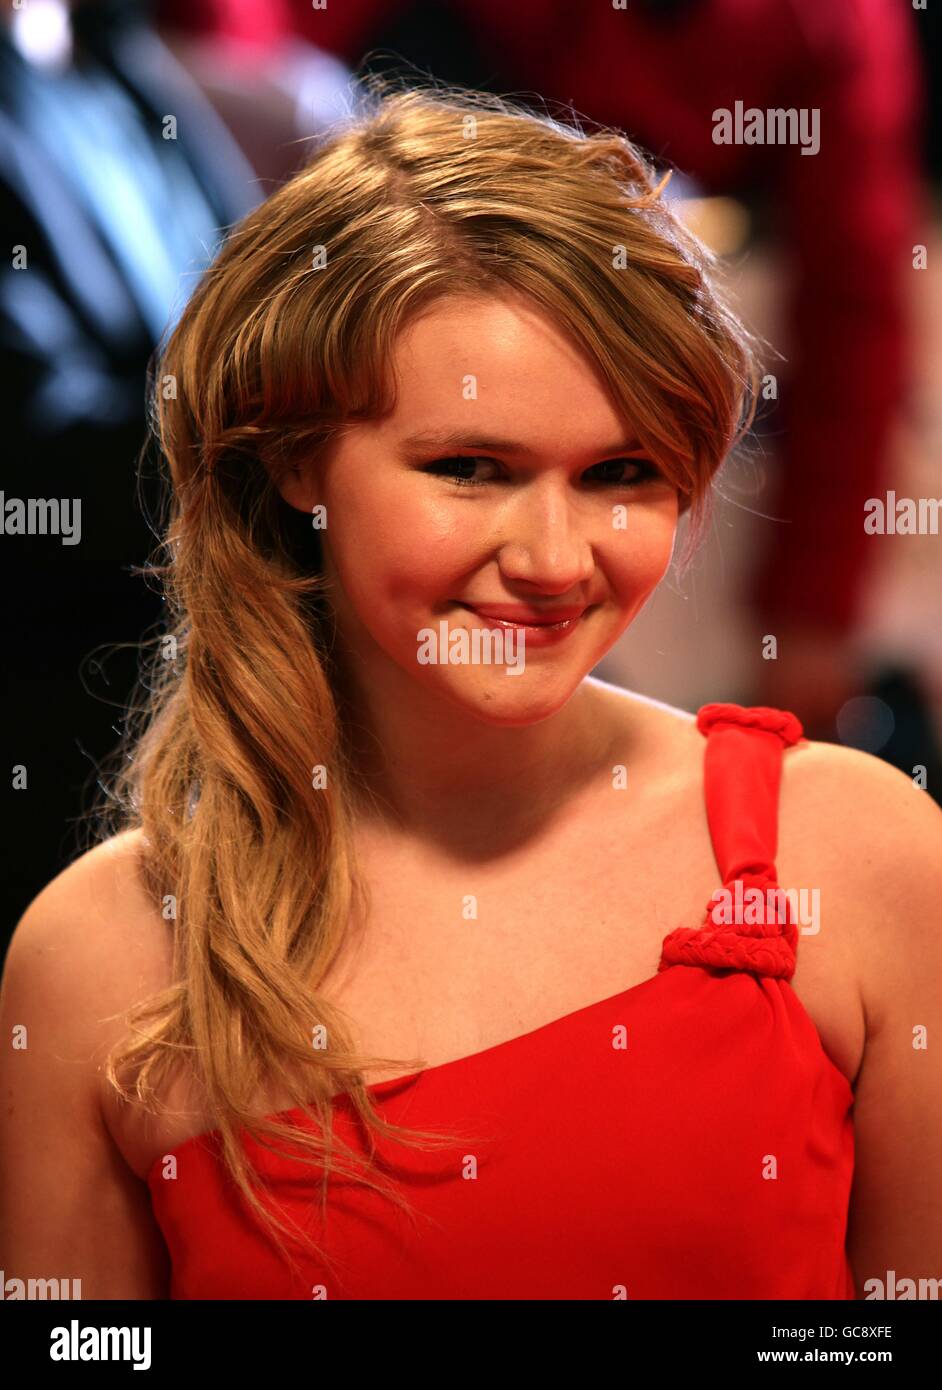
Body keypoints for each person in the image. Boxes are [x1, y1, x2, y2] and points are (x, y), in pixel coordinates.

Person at [1, 80, 940, 1301]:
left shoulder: (862, 858)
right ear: (293, 456)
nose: (554, 559)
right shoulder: (97, 960)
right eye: (470, 469)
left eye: (622, 471)